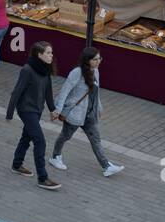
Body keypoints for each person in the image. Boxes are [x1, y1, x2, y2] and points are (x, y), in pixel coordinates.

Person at [50, 47, 124, 177]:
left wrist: (99, 107)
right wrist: (58, 109)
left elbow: (95, 93)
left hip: (89, 114)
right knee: (65, 136)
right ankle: (55, 157)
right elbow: (65, 91)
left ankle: (106, 166)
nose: (98, 61)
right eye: (95, 59)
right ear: (87, 60)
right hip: (76, 113)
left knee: (95, 139)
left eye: (99, 58)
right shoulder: (76, 72)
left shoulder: (96, 72)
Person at [6, 41, 60, 191]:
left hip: (37, 110)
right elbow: (17, 92)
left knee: (27, 137)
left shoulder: (45, 69)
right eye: (48, 53)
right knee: (40, 141)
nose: (51, 56)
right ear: (39, 54)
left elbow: (48, 91)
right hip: (26, 110)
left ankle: (16, 164)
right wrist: (9, 114)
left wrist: (52, 109)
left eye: (51, 52)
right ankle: (42, 178)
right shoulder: (27, 70)